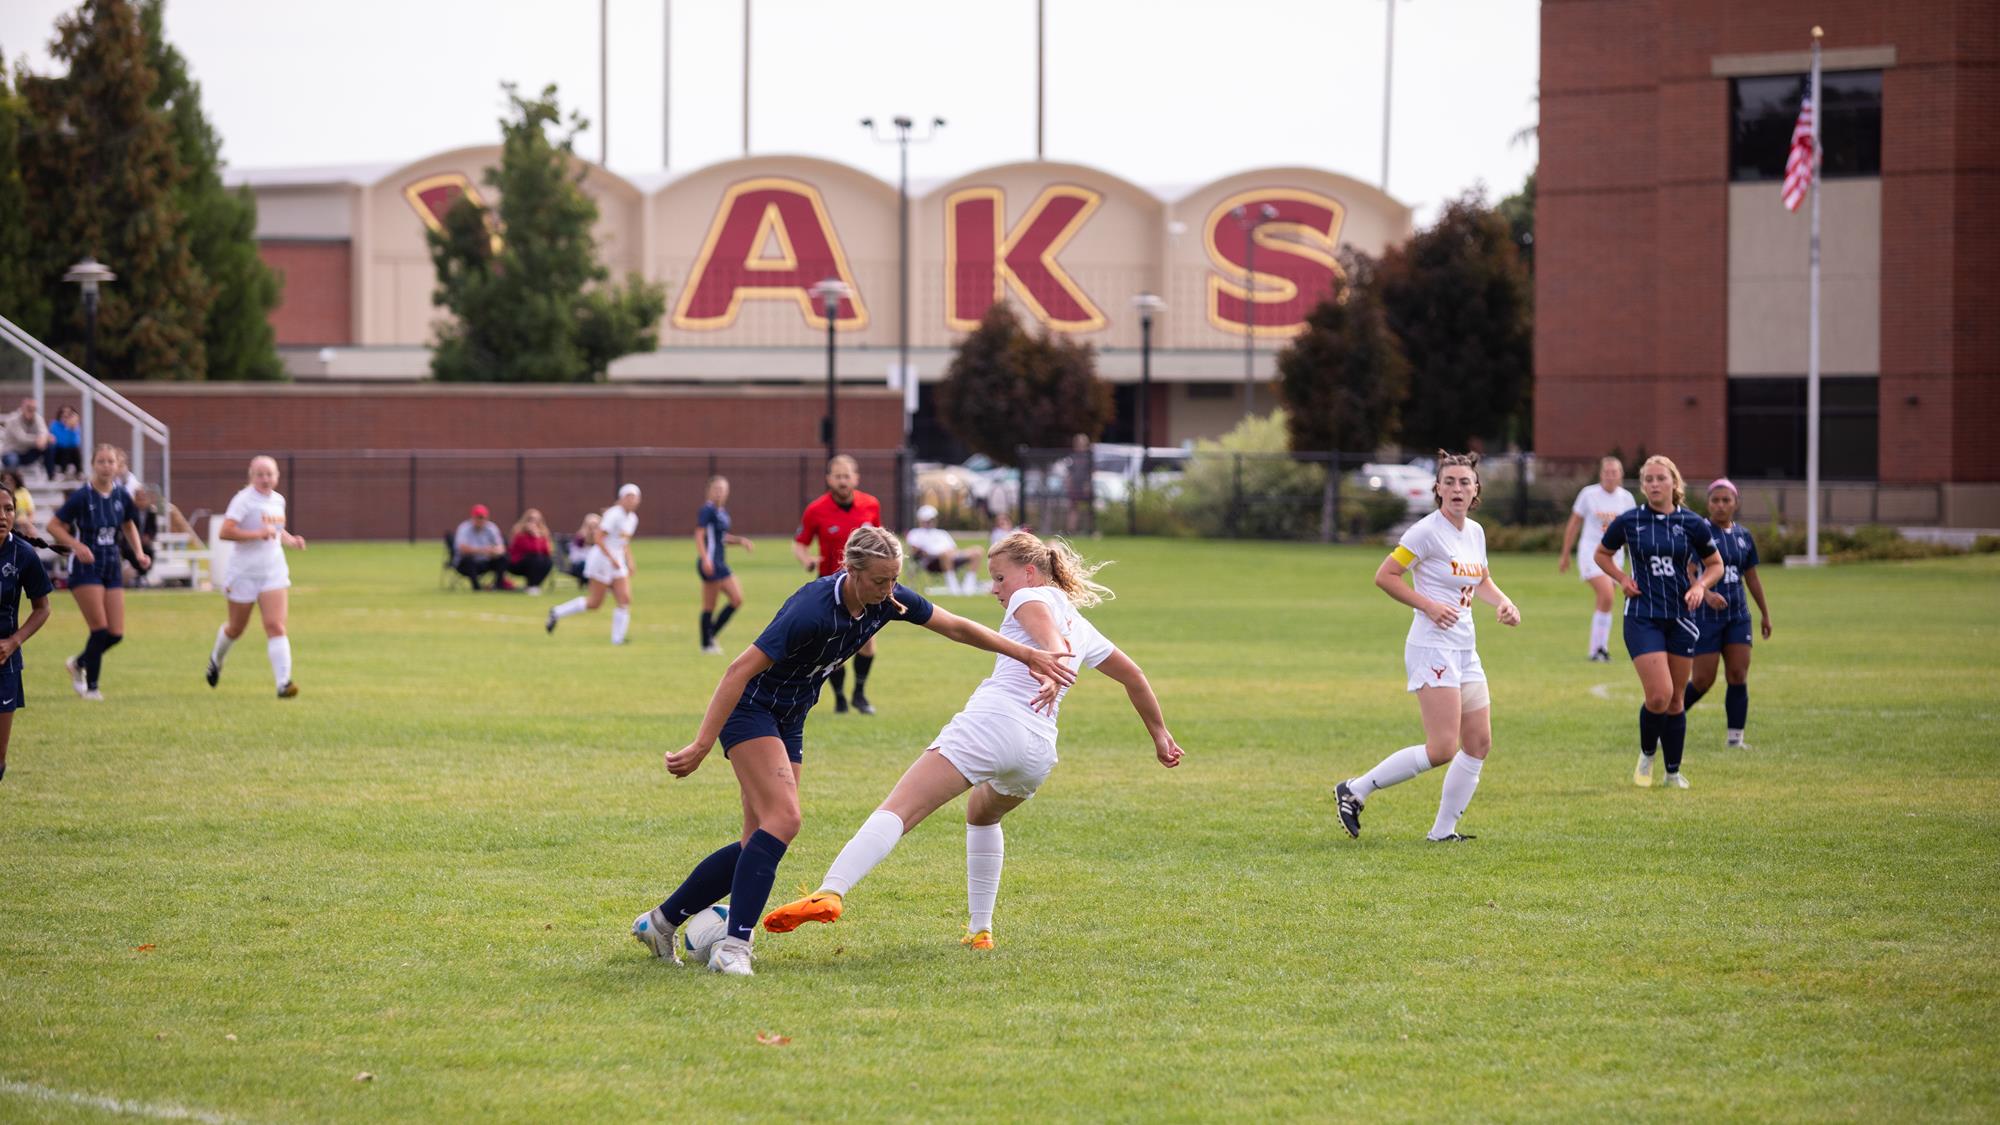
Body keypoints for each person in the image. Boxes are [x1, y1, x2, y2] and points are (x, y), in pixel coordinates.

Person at [629, 526, 1079, 976]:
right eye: (880, 582)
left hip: (791, 716)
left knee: (759, 841)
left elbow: (957, 627)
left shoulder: (889, 599)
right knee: (785, 820)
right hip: (751, 709)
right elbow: (737, 671)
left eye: (894, 580)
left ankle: (661, 921)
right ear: (851, 571)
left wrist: (1027, 654)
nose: (889, 592)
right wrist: (701, 745)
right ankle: (735, 948)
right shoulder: (811, 610)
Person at [761, 531, 1184, 951]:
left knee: (901, 808)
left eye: (1000, 577)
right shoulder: (1081, 622)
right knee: (983, 816)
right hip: (1037, 750)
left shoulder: (1028, 597)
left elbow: (1050, 639)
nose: (994, 588)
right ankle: (981, 929)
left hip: (993, 722)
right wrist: (1160, 734)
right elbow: (1134, 676)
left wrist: (1052, 662)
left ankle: (830, 890)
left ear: (1031, 572)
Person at [1336, 453, 1521, 843]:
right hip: (1431, 648)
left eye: (1464, 482)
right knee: (1441, 749)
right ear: (1437, 489)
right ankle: (1355, 789)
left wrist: (1504, 602)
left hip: (1465, 650)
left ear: (1476, 490)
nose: (1457, 489)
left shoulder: (1475, 532)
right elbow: (1385, 576)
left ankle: (1442, 832)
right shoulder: (1424, 532)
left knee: (1479, 743)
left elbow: (1481, 579)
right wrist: (1429, 605)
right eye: (1449, 482)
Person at [1594, 455, 1723, 789]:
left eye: (1659, 478)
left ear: (1673, 483)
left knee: (1677, 698)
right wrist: (1622, 579)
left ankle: (1673, 772)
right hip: (1642, 617)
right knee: (1658, 696)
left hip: (1680, 618)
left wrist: (1699, 586)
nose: (1653, 484)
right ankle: (1647, 754)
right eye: (1647, 479)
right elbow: (1601, 555)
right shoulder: (1630, 520)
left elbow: (1715, 565)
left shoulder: (1693, 523)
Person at [43, 444, 149, 701]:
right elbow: (53, 526)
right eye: (101, 461)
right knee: (99, 629)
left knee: (115, 634)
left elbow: (128, 523)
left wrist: (138, 552)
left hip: (111, 565)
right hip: (85, 568)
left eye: (110, 461)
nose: (106, 466)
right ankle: (92, 688)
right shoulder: (82, 496)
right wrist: (76, 545)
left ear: (118, 465)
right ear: (93, 464)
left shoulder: (122, 495)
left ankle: (78, 663)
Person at [205, 455, 306, 699]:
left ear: (277, 477)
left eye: (270, 474)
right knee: (236, 629)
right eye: (260, 474)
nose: (265, 479)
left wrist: (291, 540)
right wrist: (256, 534)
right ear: (251, 476)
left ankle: (283, 683)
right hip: (243, 573)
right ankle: (216, 659)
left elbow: (276, 531)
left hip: (273, 571)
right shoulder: (243, 500)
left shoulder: (278, 500)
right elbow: (225, 532)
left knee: (275, 625)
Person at [1684, 479, 1773, 749]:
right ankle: (1668, 718)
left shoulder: (1744, 536)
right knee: (1702, 680)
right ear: (1708, 503)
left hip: (1738, 615)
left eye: (1726, 500)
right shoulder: (1700, 532)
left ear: (1736, 503)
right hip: (1705, 616)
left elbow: (1752, 578)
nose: (1720, 505)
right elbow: (1687, 571)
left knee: (1737, 674)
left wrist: (1765, 614)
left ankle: (1736, 739)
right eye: (1715, 500)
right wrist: (1706, 593)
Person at [793, 455, 883, 714]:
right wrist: (807, 559)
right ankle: (840, 698)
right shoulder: (816, 510)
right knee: (836, 645)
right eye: (838, 476)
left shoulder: (870, 505)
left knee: (868, 643)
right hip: (831, 589)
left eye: (847, 476)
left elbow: (880, 540)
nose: (843, 481)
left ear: (856, 478)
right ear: (829, 479)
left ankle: (859, 694)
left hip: (866, 587)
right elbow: (800, 543)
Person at [0, 489, 55, 782]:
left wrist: (14, 641)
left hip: (5, 663)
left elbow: (43, 608)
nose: (3, 516)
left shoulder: (23, 554)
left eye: (9, 509)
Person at [1559, 456, 1636, 662]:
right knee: (1607, 594)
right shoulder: (1589, 494)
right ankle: (1598, 649)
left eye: (1614, 472)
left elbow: (1632, 531)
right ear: (1601, 474)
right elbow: (1574, 523)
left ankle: (1599, 648)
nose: (1610, 476)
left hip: (1615, 556)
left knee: (1606, 600)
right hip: (1591, 553)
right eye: (1606, 472)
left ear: (1621, 475)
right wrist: (1565, 554)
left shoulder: (1626, 498)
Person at [547, 484, 640, 643]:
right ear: (621, 498)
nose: (632, 500)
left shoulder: (632, 519)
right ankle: (557, 612)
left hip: (616, 560)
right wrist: (611, 559)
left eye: (635, 497)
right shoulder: (614, 514)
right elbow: (598, 538)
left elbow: (624, 542)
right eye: (628, 497)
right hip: (602, 560)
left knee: (624, 599)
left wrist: (629, 561)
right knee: (594, 603)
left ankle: (617, 640)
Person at [696, 476, 753, 654]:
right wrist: (705, 559)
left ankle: (710, 635)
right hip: (711, 563)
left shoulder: (722, 512)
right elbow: (699, 535)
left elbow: (720, 537)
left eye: (723, 489)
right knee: (709, 606)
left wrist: (739, 541)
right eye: (716, 489)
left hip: (721, 563)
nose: (720, 492)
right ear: (709, 491)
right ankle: (707, 644)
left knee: (737, 599)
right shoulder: (707, 510)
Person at [906, 504, 985, 596]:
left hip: (951, 557)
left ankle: (968, 586)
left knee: (977, 551)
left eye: (931, 519)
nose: (929, 522)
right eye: (927, 520)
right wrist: (932, 554)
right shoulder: (915, 533)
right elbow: (915, 551)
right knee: (945, 554)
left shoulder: (942, 533)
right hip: (931, 561)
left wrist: (952, 553)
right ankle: (954, 587)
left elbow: (953, 549)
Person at [451, 504, 511, 591]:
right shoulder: (464, 528)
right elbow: (462, 548)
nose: (481, 520)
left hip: (486, 561)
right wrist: (482, 550)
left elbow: (501, 547)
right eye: (478, 517)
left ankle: (499, 585)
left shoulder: (491, 528)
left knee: (503, 558)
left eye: (483, 517)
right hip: (467, 564)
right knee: (468, 560)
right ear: (473, 517)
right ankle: (476, 587)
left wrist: (495, 551)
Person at [507, 509, 555, 595]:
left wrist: (537, 536)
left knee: (547, 561)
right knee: (534, 558)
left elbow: (547, 552)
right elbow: (533, 549)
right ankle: (532, 586)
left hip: (535, 563)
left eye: (537, 520)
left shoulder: (543, 534)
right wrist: (535, 536)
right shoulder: (520, 535)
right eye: (531, 519)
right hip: (517, 564)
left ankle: (534, 585)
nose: (533, 523)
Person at [0, 398, 52, 472]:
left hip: (27, 453)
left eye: (33, 408)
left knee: (49, 447)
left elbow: (43, 431)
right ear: (22, 407)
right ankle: (13, 481)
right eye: (28, 407)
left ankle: (51, 477)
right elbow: (21, 438)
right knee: (12, 459)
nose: (31, 410)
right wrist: (39, 439)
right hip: (11, 452)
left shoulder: (37, 417)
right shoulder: (13, 419)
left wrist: (44, 438)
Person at [565, 512, 601, 586]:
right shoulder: (580, 537)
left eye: (595, 526)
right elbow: (574, 557)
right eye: (591, 527)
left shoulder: (601, 537)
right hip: (580, 564)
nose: (593, 529)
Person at [47, 405, 83, 478]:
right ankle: (63, 472)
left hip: (70, 453)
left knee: (75, 450)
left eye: (69, 415)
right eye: (63, 415)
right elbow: (60, 442)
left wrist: (72, 429)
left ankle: (79, 472)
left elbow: (76, 442)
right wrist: (68, 428)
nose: (66, 417)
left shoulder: (75, 427)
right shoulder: (54, 425)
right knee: (66, 449)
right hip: (57, 453)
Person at [2, 469, 36, 540]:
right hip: (7, 521)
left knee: (31, 530)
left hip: (22, 523)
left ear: (16, 481)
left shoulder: (23, 492)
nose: (7, 482)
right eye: (4, 480)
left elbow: (31, 513)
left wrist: (28, 523)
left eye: (10, 480)